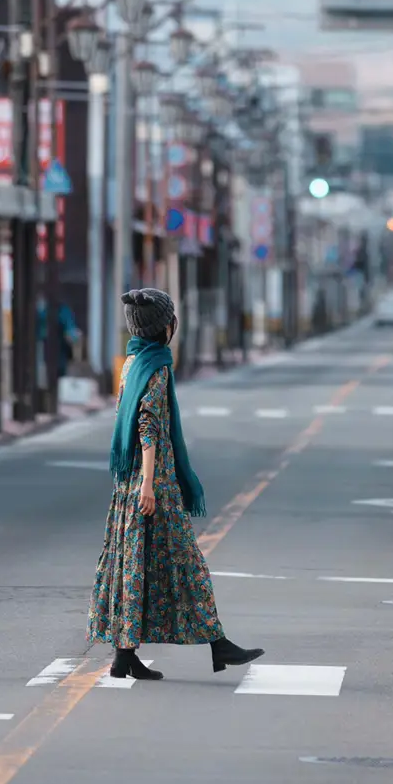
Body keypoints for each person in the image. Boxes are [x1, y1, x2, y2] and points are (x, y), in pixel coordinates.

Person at [88, 286, 263, 683]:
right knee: (187, 565)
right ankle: (218, 644)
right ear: (167, 327)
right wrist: (150, 484)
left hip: (128, 483)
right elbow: (148, 424)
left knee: (134, 565)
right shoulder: (156, 366)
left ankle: (124, 656)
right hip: (154, 485)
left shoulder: (131, 362)